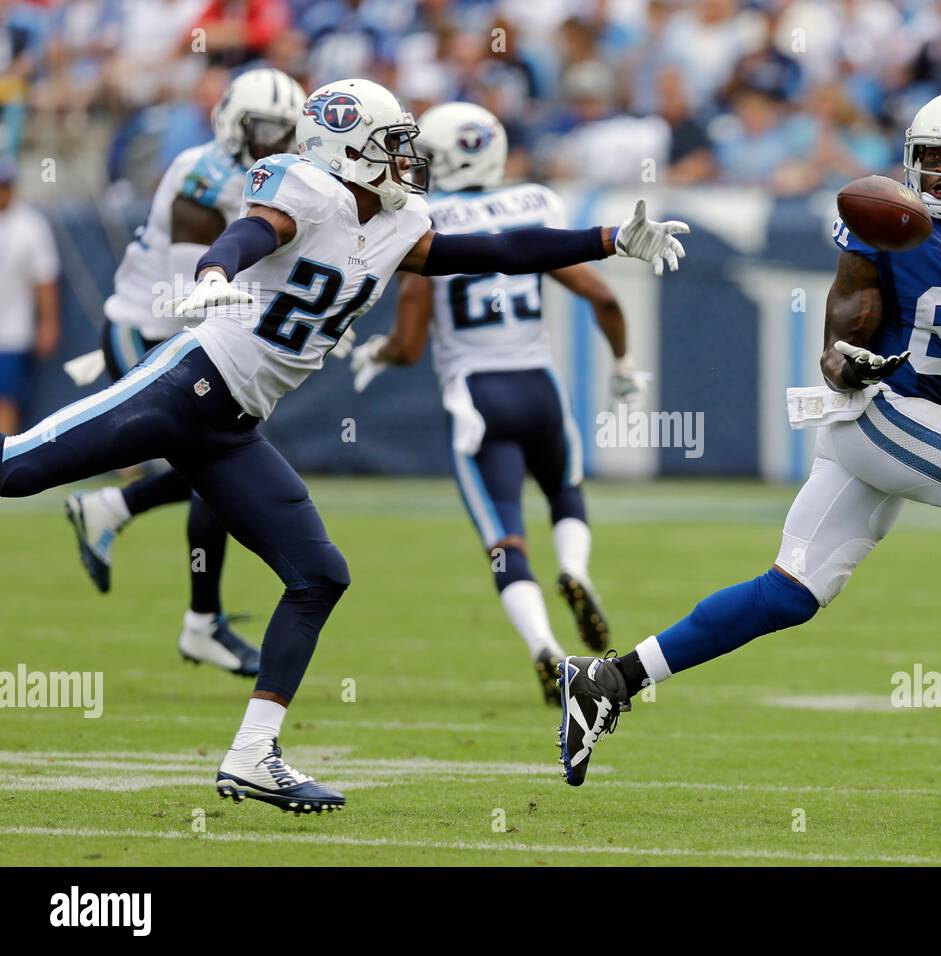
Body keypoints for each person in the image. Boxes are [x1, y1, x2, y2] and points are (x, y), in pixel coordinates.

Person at [0, 77, 687, 813]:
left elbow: (493, 246)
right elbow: (252, 233)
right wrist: (211, 272)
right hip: (188, 386)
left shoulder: (398, 224)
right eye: (391, 146)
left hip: (234, 424)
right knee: (21, 467)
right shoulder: (306, 189)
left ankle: (253, 754)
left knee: (319, 574)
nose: (405, 159)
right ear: (347, 149)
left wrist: (607, 239)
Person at [556, 91, 941, 787]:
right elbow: (836, 351)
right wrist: (849, 360)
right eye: (929, 161)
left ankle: (607, 680)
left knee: (790, 593)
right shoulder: (881, 222)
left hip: (905, 421)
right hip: (879, 409)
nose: (940, 178)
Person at [349, 102, 647, 704]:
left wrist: (379, 353)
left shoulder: (422, 221)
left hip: (477, 395)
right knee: (565, 492)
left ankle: (547, 649)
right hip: (540, 386)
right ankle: (577, 571)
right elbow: (605, 300)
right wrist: (622, 365)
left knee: (504, 539)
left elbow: (409, 344)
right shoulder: (534, 203)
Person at [65, 68, 306, 678]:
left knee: (221, 470)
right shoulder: (204, 178)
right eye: (266, 130)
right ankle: (198, 621)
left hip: (189, 336)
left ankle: (113, 518)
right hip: (153, 330)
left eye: (286, 132)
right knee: (221, 469)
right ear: (233, 123)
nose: (277, 143)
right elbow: (188, 292)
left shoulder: (273, 175)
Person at [0, 156, 60, 436]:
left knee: (6, 401)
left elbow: (45, 280)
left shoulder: (31, 225)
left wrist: (48, 324)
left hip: (12, 331)